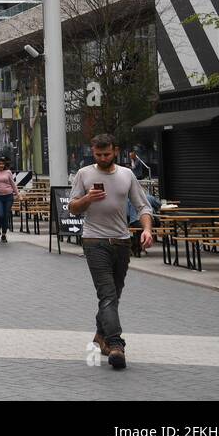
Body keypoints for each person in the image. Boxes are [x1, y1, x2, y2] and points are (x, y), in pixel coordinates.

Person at [68, 133, 154, 371]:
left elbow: (143, 206)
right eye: (98, 154)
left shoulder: (126, 174)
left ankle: (99, 335)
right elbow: (72, 208)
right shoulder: (84, 174)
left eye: (107, 154)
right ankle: (116, 345)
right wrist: (87, 198)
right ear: (93, 151)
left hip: (122, 241)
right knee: (107, 294)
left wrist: (146, 229)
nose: (103, 158)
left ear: (115, 151)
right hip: (94, 240)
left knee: (114, 294)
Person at [0, 156, 21, 242]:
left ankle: (4, 234)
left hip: (8, 196)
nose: (1, 165)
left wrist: (18, 194)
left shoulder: (8, 172)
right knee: (0, 214)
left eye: (3, 164)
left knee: (6, 215)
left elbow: (13, 183)